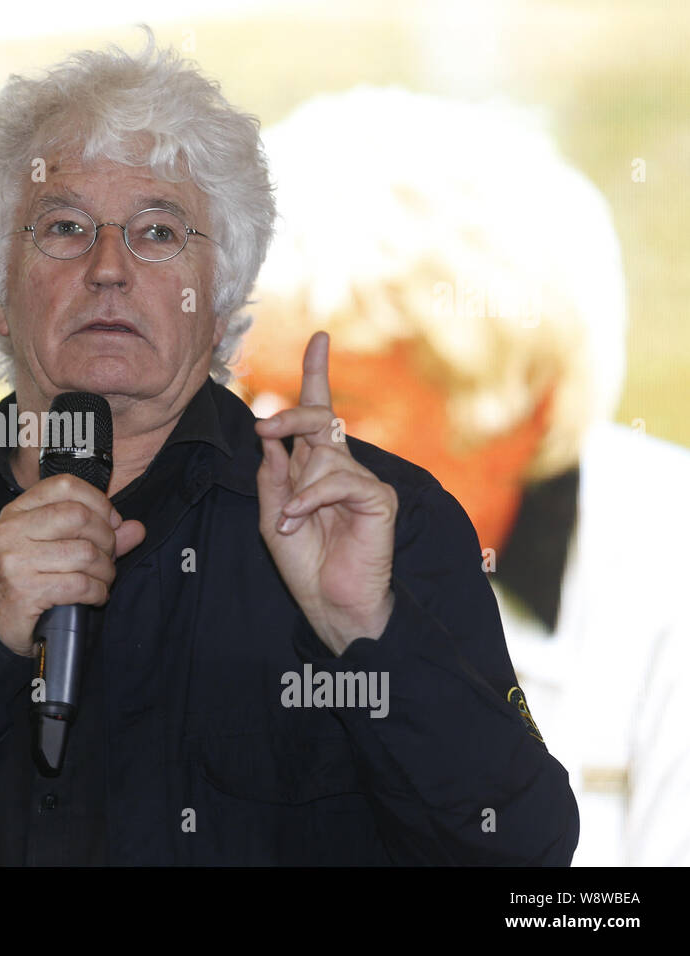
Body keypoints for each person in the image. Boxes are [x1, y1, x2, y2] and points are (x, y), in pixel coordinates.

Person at [0, 31, 579, 865]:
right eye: (63, 227)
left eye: (158, 231)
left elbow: (525, 850)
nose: (107, 265)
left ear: (222, 296)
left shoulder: (363, 520)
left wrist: (366, 635)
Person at [231, 85, 690, 866]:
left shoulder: (664, 574)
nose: (268, 441)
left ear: (521, 414)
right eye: (246, 392)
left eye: (339, 403)